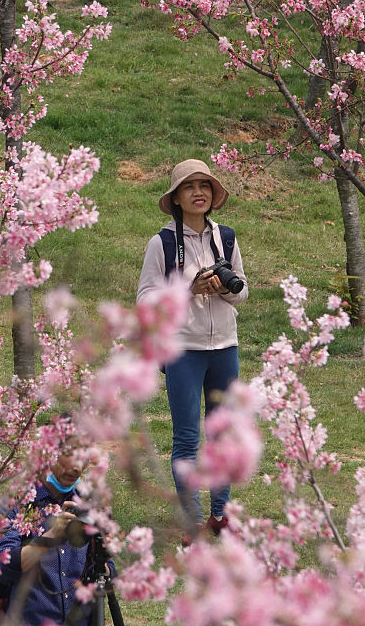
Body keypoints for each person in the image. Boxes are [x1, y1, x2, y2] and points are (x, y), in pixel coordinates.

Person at [137, 159, 248, 540]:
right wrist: (189, 290)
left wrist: (224, 289)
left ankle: (221, 514)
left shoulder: (227, 238)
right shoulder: (162, 243)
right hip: (183, 349)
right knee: (187, 436)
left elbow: (244, 290)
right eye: (189, 186)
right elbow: (147, 300)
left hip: (225, 347)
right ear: (177, 198)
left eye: (204, 185)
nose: (198, 192)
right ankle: (191, 520)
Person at [0, 446, 103, 625]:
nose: (77, 468)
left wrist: (105, 556)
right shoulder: (15, 502)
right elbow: (0, 566)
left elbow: (106, 571)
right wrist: (51, 536)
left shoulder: (87, 501)